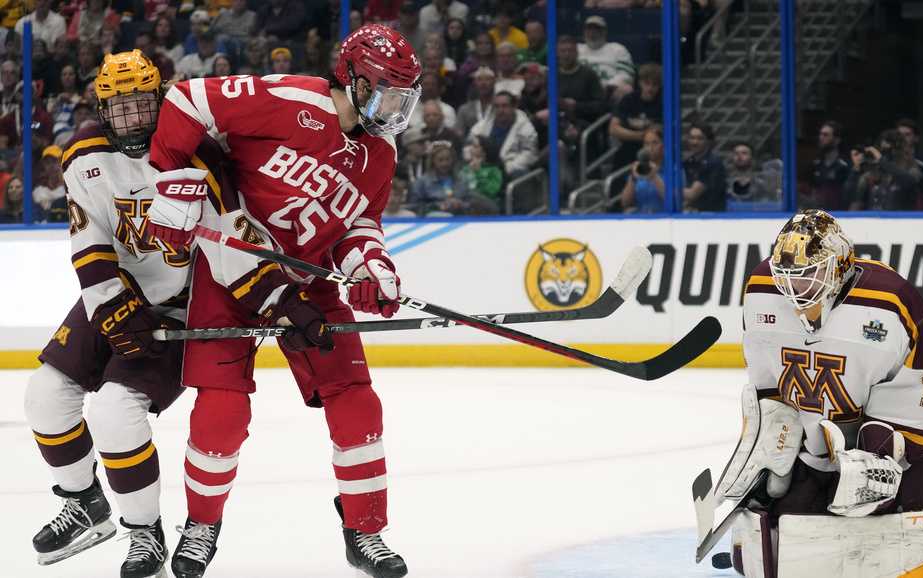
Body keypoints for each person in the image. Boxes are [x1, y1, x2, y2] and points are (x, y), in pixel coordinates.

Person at [143, 24, 421, 578]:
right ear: (354, 79)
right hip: (232, 267)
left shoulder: (380, 154)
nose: (395, 108)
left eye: (403, 97)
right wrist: (169, 182)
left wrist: (370, 266)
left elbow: (357, 224)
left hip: (308, 282)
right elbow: (186, 98)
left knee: (357, 401)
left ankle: (365, 529)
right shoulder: (288, 98)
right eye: (387, 92)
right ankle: (201, 524)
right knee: (222, 412)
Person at [23, 50, 222, 578]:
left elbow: (231, 239)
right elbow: (89, 244)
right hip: (113, 292)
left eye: (142, 105)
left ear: (159, 100)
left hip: (181, 309)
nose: (132, 119)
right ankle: (85, 503)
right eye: (120, 108)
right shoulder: (84, 155)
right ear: (102, 109)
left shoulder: (199, 154)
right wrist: (111, 307)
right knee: (44, 396)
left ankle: (146, 535)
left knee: (114, 411)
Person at [724, 209, 923, 570]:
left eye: (810, 274)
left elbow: (922, 411)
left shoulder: (893, 302)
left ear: (840, 266)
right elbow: (770, 391)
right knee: (773, 551)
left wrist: (874, 460)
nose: (796, 289)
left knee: (854, 541)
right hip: (814, 458)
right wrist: (771, 451)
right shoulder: (763, 289)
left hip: (905, 462)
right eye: (789, 276)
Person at [468, 90, 538, 180]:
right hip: (482, 168)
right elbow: (469, 143)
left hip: (508, 171)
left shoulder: (526, 128)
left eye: (505, 106)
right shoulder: (485, 123)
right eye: (497, 106)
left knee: (520, 174)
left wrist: (505, 169)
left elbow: (529, 155)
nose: (500, 110)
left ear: (514, 107)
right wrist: (474, 160)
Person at [577, 15, 635, 103]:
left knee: (626, 89)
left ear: (604, 32)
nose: (592, 33)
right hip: (581, 90)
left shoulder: (617, 49)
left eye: (596, 29)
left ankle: (618, 116)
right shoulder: (576, 49)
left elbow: (626, 75)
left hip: (609, 91)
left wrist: (607, 86)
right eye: (589, 29)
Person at [682, 122, 726, 212]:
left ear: (708, 141)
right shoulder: (688, 162)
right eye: (692, 138)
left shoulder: (713, 162)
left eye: (700, 138)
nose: (695, 142)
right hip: (693, 216)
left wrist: (667, 187)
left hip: (713, 218)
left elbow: (691, 195)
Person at [621, 124, 666, 213]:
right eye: (646, 143)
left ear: (664, 146)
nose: (650, 148)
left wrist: (654, 177)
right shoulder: (639, 168)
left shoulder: (674, 170)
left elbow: (671, 200)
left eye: (655, 143)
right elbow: (625, 203)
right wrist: (633, 179)